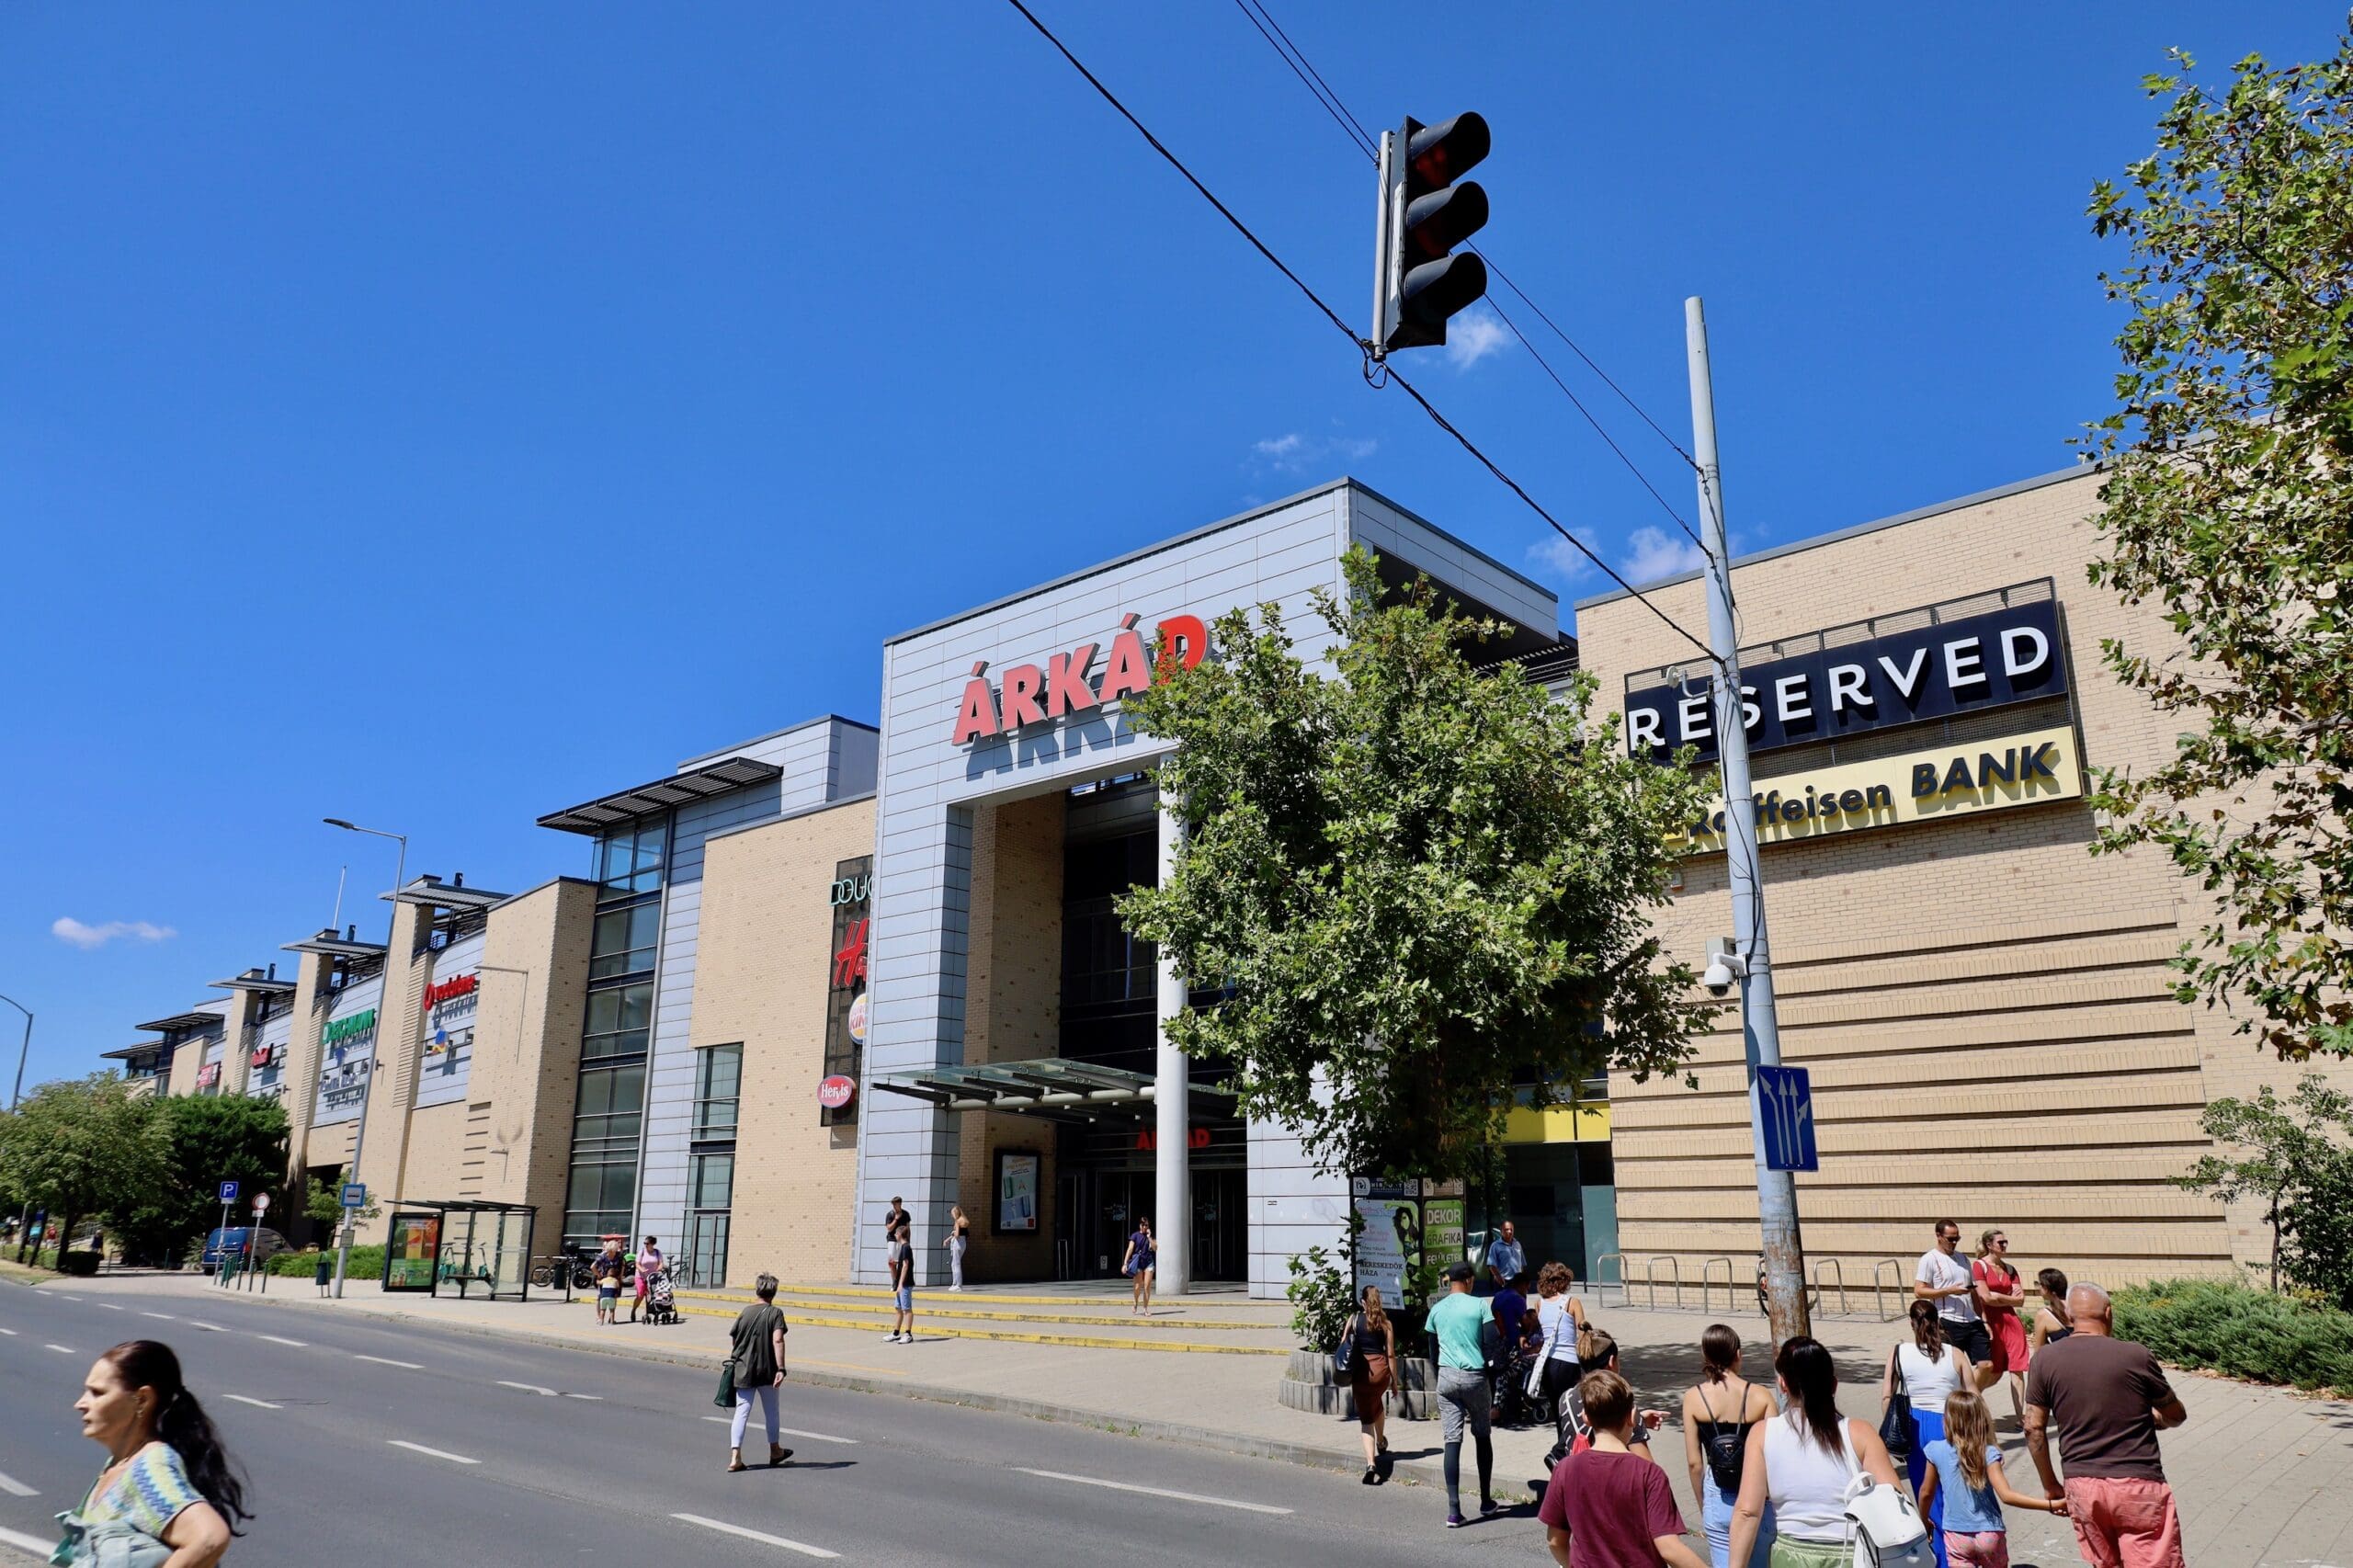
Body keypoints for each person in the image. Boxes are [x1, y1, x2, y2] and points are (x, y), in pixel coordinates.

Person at [2024, 1283, 2188, 1568]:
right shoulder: (2135, 1355)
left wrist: (2050, 1483)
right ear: (2109, 1313)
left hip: (2082, 1486)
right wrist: (2156, 1420)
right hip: (2137, 1483)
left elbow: (2033, 1428)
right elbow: (2175, 1414)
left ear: (2070, 1317)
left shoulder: (2044, 1360)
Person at [63, 1340, 248, 1566]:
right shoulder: (119, 1464)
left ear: (142, 1399)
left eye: (97, 1393)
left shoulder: (149, 1467)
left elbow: (209, 1538)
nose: (81, 1403)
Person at [1728, 1335, 1904, 1568]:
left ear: (1783, 1385)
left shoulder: (1763, 1434)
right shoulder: (1860, 1433)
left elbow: (1748, 1512)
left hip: (1791, 1558)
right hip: (1853, 1556)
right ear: (1834, 1385)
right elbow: (1896, 1500)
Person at [1540, 1369, 1706, 1568]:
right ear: (1632, 1417)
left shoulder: (1565, 1470)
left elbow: (1555, 1541)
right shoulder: (1649, 1475)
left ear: (1586, 1418)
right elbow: (1669, 1548)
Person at [1886, 1298, 1995, 1568]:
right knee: (1955, 1492)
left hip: (1915, 1427)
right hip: (1950, 1425)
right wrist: (1986, 1436)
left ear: (1912, 1323)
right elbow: (1975, 1395)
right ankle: (1962, 1551)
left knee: (1928, 1493)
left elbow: (1888, 1396)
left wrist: (1894, 1432)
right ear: (1938, 1322)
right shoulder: (1955, 1354)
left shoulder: (1898, 1352)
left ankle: (1941, 1557)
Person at [1918, 1389, 2065, 1568]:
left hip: (1957, 1535)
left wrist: (1924, 1521)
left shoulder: (1935, 1450)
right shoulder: (1988, 1453)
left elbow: (1926, 1492)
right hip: (1989, 1534)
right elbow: (2006, 1495)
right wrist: (2051, 1505)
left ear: (1947, 1420)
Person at [1684, 1324, 1777, 1568]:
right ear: (1738, 1354)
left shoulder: (1693, 1398)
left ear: (1706, 1356)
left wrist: (1705, 1505)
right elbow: (1776, 1456)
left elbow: (1695, 1464)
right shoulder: (1761, 1396)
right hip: (1757, 1497)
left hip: (1717, 1496)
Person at [1428, 1260, 1498, 1528]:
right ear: (1468, 1280)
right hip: (1475, 1377)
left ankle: (1454, 1510)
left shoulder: (1436, 1310)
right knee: (1482, 1435)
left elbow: (1433, 1352)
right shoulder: (1479, 1305)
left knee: (1451, 1441)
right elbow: (1491, 1339)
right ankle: (1486, 1500)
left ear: (1449, 1281)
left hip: (1446, 1378)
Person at [725, 1273, 794, 1472]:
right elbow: (778, 1340)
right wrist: (781, 1368)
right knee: (771, 1411)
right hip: (767, 1370)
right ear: (774, 1292)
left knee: (742, 1411)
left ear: (757, 1290)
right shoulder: (775, 1313)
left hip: (743, 1369)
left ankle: (735, 1456)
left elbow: (734, 1341)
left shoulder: (745, 1312)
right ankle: (775, 1450)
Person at [1531, 1261, 1588, 1465]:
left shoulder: (1539, 1304)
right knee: (1576, 1412)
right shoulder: (1572, 1303)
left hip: (1547, 1365)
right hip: (1568, 1363)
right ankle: (1559, 1453)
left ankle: (1562, 1459)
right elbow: (1583, 1335)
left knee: (1559, 1414)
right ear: (1564, 1280)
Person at [1916, 1219, 1993, 1367]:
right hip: (1948, 1319)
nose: (1954, 1242)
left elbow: (1974, 1292)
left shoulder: (1962, 1258)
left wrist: (1984, 1320)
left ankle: (1969, 1389)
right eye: (1950, 1239)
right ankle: (1961, 1389)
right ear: (1938, 1236)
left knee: (1987, 1365)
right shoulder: (1929, 1259)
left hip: (1971, 1319)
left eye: (1957, 1238)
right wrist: (1949, 1290)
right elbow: (1919, 1291)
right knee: (1953, 1367)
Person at [1972, 1231, 2029, 1426]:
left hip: (2011, 1322)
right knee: (1994, 1372)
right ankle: (1967, 1401)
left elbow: (2020, 1300)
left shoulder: (2010, 1269)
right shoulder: (1979, 1266)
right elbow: (1985, 1298)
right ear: (1989, 1244)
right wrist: (2006, 1298)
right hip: (1991, 1323)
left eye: (2006, 1241)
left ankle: (2021, 1417)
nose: (2005, 1245)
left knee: (2018, 1369)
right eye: (2000, 1242)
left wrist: (1999, 1297)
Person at [1344, 1284, 1397, 1484]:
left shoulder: (1354, 1319)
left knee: (1366, 1420)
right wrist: (1394, 1382)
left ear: (1363, 1302)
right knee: (1376, 1403)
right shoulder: (1386, 1324)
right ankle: (1381, 1442)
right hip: (1380, 1372)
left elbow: (1345, 1345)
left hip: (1361, 1374)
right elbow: (1390, 1354)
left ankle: (1371, 1465)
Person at [1492, 1269, 1531, 1422]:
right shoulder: (1518, 1299)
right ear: (1522, 1285)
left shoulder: (1498, 1296)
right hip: (1513, 1343)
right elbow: (1526, 1323)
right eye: (1527, 1287)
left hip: (1499, 1342)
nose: (1527, 1291)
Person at [2029, 1268, 2074, 1354]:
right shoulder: (2079, 1307)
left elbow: (2039, 1351)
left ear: (2046, 1287)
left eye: (2040, 1285)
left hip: (2060, 1362)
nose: (2039, 1288)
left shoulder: (2044, 1314)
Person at [887, 1218, 915, 1343]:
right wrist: (895, 1263)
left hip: (905, 1283)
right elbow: (903, 1262)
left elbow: (906, 1266)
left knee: (906, 1309)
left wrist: (900, 1284)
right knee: (898, 1308)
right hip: (901, 1283)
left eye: (896, 1233)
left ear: (899, 1235)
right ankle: (896, 1332)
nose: (894, 1235)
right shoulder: (903, 1248)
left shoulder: (906, 1248)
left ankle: (908, 1334)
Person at [1121, 1216, 1156, 1316]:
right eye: (1143, 1225)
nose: (1145, 1227)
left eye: (1147, 1225)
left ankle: (1145, 1308)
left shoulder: (1150, 1236)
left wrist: (1149, 1237)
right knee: (1137, 1287)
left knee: (1147, 1286)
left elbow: (1155, 1248)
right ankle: (1135, 1302)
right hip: (1138, 1263)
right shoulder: (1135, 1236)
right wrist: (1125, 1263)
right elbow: (1130, 1249)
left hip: (1149, 1263)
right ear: (1140, 1225)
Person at [592, 1236, 628, 1324]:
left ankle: (611, 1318)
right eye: (610, 1251)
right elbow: (592, 1267)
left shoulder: (619, 1256)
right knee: (600, 1297)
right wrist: (599, 1275)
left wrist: (621, 1275)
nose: (611, 1253)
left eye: (613, 1251)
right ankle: (599, 1317)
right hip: (604, 1279)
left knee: (614, 1297)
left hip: (615, 1279)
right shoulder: (602, 1256)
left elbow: (623, 1264)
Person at [1485, 1220, 1526, 1293]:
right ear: (1501, 1231)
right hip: (1504, 1282)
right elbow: (1491, 1264)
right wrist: (1498, 1276)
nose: (1510, 1232)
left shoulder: (1517, 1244)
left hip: (1517, 1282)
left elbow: (1522, 1263)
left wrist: (1522, 1279)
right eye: (1507, 1229)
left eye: (1511, 1229)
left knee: (1519, 1303)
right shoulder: (1495, 1246)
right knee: (1503, 1303)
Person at [631, 1235, 664, 1324]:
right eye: (644, 1243)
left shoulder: (657, 1252)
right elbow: (637, 1263)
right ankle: (634, 1310)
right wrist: (642, 1269)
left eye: (647, 1243)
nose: (645, 1245)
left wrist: (659, 1269)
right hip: (640, 1276)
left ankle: (647, 1314)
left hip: (652, 1277)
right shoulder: (642, 1252)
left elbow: (661, 1263)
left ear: (652, 1244)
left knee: (650, 1296)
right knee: (640, 1294)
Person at [943, 1204, 971, 1290]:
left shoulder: (958, 1221)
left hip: (957, 1243)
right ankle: (955, 1283)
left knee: (956, 1264)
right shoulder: (964, 1221)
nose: (952, 1216)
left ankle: (957, 1284)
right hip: (963, 1243)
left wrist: (953, 1233)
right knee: (955, 1263)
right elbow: (961, 1234)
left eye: (952, 1214)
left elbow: (957, 1234)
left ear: (955, 1213)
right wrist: (948, 1239)